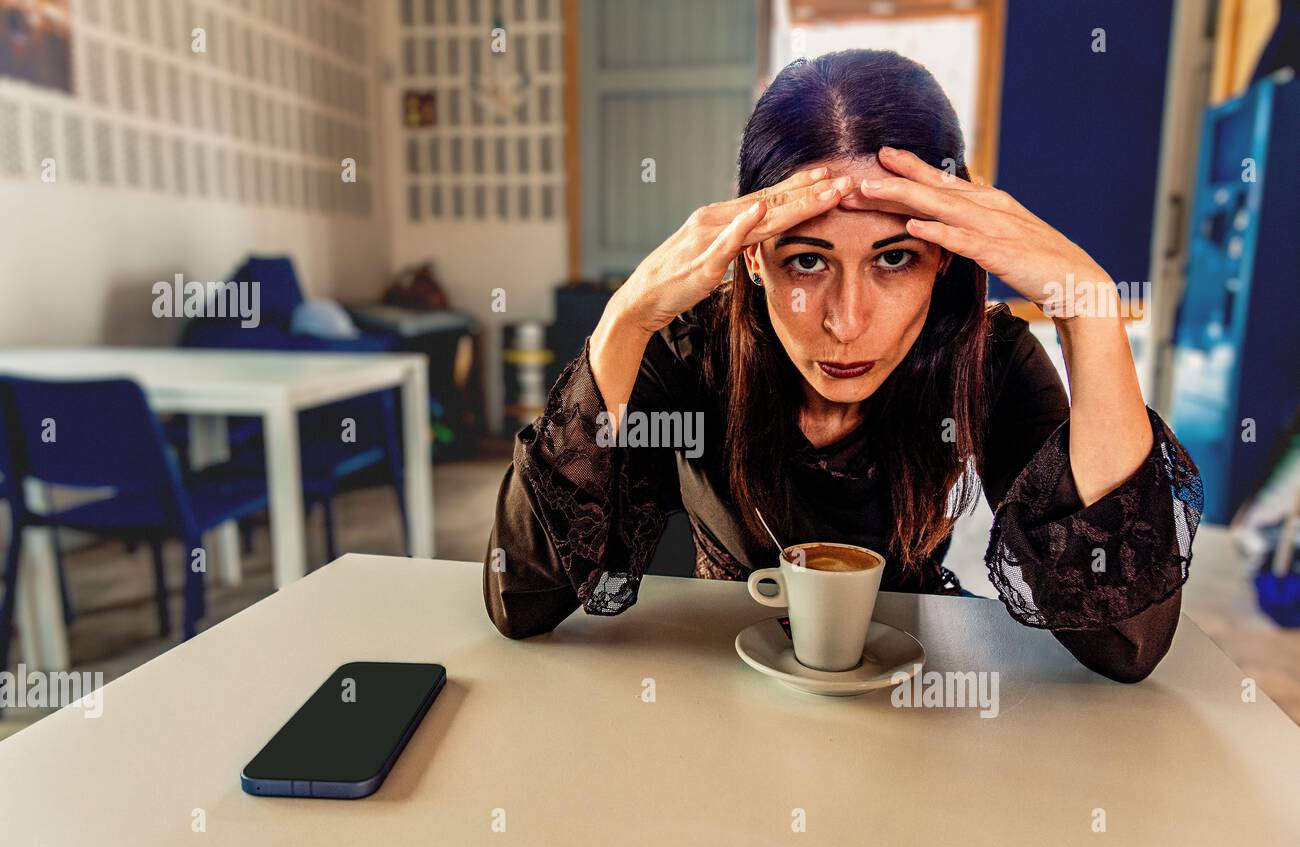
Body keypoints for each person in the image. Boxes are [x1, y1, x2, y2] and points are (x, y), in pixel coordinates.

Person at [483, 50, 1202, 683]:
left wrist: (1091, 312)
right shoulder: (687, 354)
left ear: (943, 257)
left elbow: (1126, 645)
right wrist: (627, 315)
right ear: (752, 257)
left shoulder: (988, 361)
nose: (846, 321)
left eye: (894, 259)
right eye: (807, 260)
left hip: (912, 694)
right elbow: (520, 599)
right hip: (719, 690)